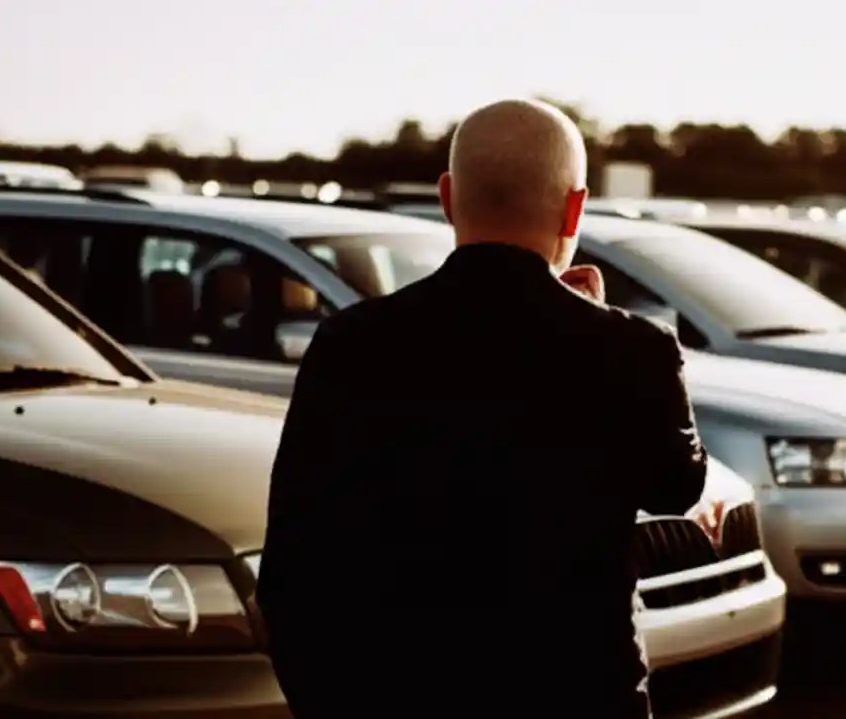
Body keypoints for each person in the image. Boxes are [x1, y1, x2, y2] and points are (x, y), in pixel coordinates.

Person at [258, 98, 708, 718]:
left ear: (447, 197)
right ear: (575, 207)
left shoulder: (351, 344)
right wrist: (603, 323)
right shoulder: (631, 349)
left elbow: (291, 569)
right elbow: (678, 486)